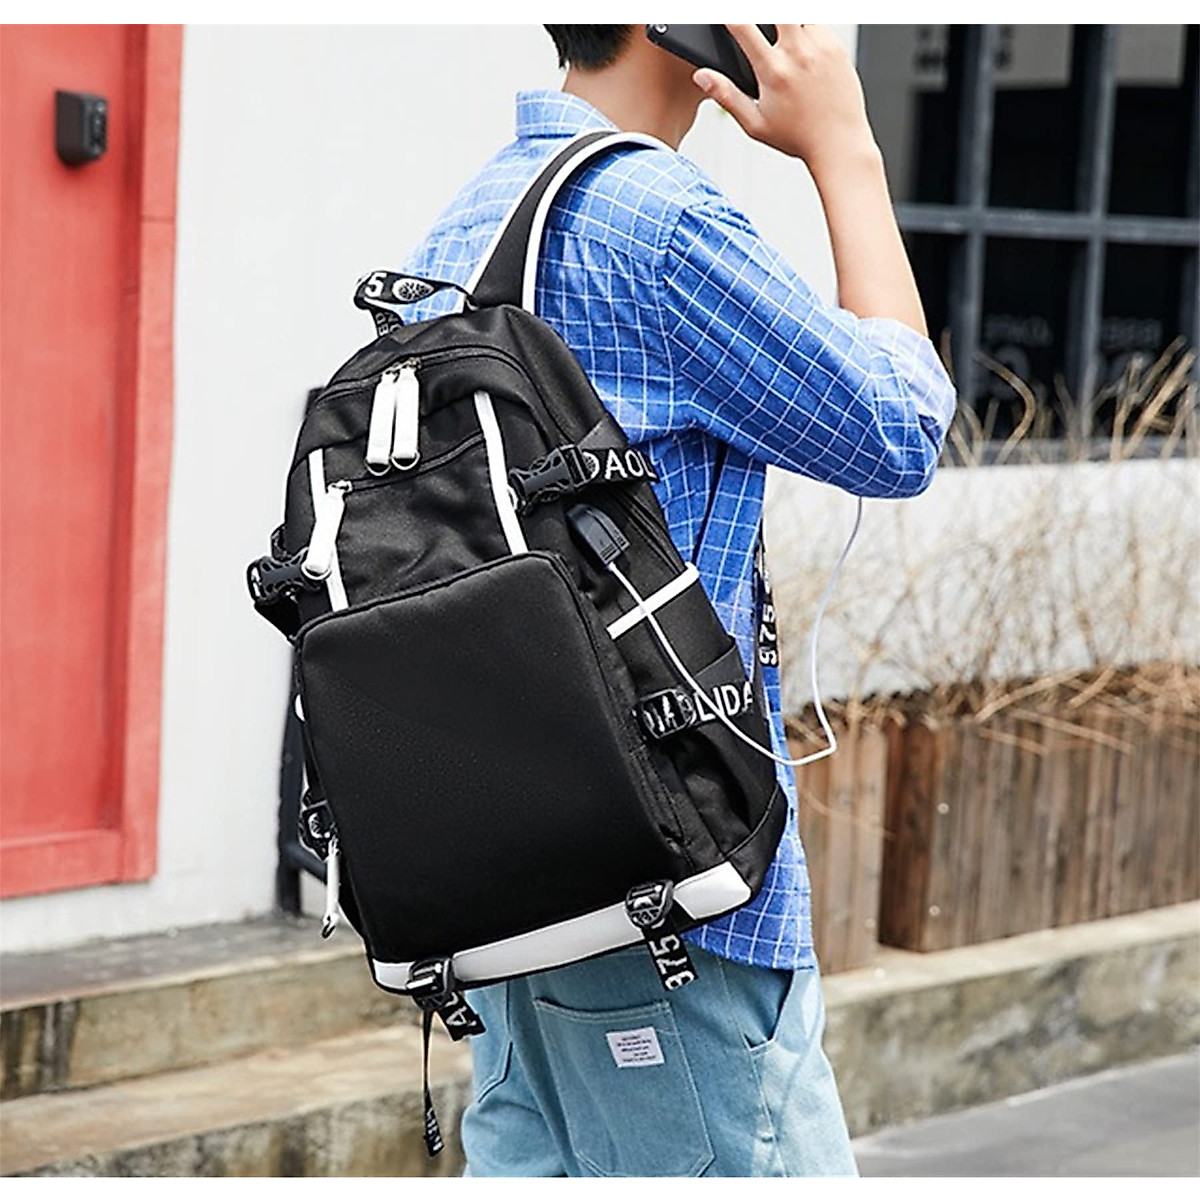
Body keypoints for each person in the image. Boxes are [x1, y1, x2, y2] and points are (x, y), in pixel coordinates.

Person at [400, 23, 956, 1178]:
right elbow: (899, 430)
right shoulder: (660, 226)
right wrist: (846, 149)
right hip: (676, 894)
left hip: (505, 877)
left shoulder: (467, 219)